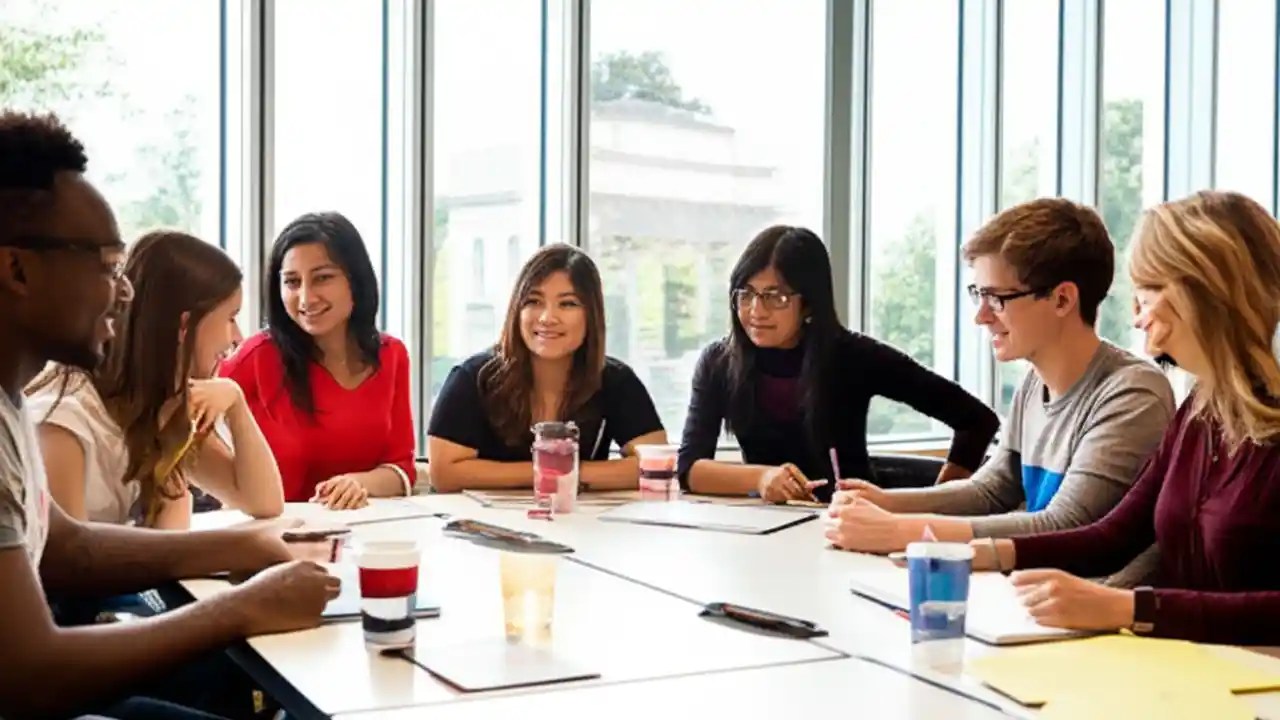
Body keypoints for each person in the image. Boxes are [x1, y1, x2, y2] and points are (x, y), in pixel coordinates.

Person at [0, 111, 337, 720]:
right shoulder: (50, 415)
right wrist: (239, 607)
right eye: (105, 267)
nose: (123, 292)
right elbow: (28, 675)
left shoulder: (11, 402)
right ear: (17, 269)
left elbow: (64, 548)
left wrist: (254, 546)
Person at [966, 190, 1280, 644]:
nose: (1138, 317)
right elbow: (1112, 536)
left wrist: (1129, 608)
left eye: (1150, 291)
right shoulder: (1200, 410)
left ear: (1206, 290)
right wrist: (976, 553)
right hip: (1189, 672)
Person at [825, 199, 1175, 574]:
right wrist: (885, 503)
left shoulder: (1133, 394)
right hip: (1033, 595)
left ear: (1062, 299)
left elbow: (1065, 524)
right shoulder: (1033, 382)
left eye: (998, 298)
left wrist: (900, 530)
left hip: (1092, 609)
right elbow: (990, 490)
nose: (981, 315)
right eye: (979, 294)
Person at [678, 225, 1000, 504]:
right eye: (745, 295)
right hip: (766, 525)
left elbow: (977, 420)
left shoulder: (853, 356)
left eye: (775, 297)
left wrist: (939, 502)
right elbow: (690, 469)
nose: (756, 311)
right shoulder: (719, 361)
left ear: (808, 303)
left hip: (851, 522)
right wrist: (761, 478)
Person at [27, 231, 284, 530]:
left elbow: (264, 502)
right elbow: (67, 563)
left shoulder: (162, 408)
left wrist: (236, 403)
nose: (238, 338)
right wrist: (172, 529)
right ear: (184, 326)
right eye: (230, 318)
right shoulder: (64, 420)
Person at [427, 244, 667, 491]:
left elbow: (658, 465)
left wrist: (566, 471)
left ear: (591, 315)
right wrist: (552, 471)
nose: (547, 318)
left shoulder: (616, 380)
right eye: (534, 301)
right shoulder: (473, 378)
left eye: (568, 304)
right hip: (485, 525)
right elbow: (444, 474)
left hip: (582, 524)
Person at [220, 212, 416, 508]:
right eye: (292, 282)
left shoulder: (392, 354)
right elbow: (187, 414)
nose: (305, 298)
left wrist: (358, 483)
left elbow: (402, 469)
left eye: (323, 278)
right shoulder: (256, 357)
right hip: (275, 537)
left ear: (356, 279)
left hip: (362, 532)